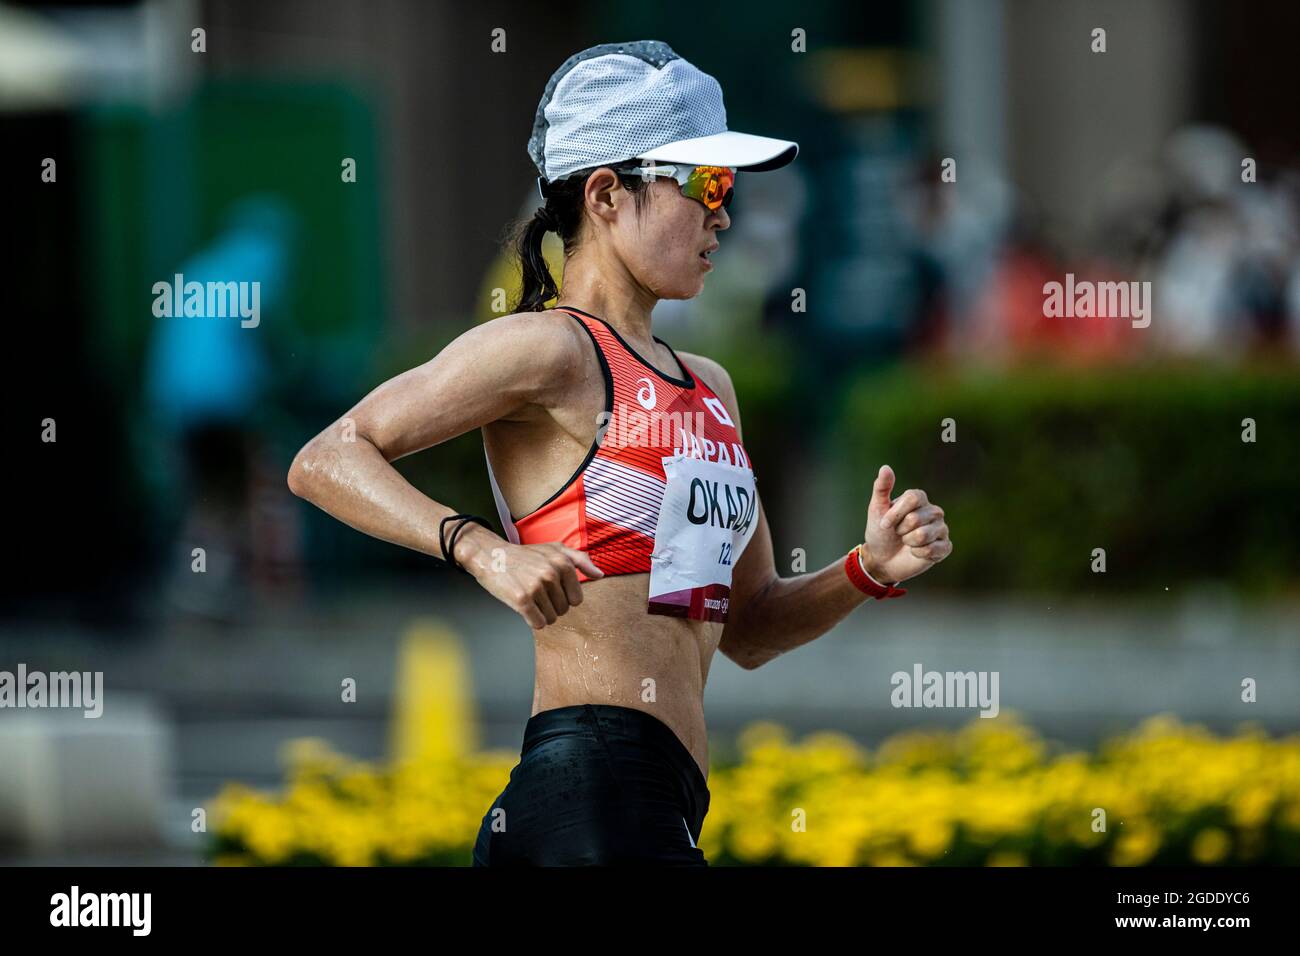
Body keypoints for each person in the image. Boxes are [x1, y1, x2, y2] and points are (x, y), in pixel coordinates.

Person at [287, 40, 952, 866]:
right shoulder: (548, 351)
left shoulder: (711, 386)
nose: (724, 214)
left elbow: (750, 628)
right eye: (704, 184)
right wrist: (481, 549)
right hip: (590, 790)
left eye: (730, 188)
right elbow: (326, 456)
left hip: (659, 801)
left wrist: (868, 569)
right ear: (605, 193)